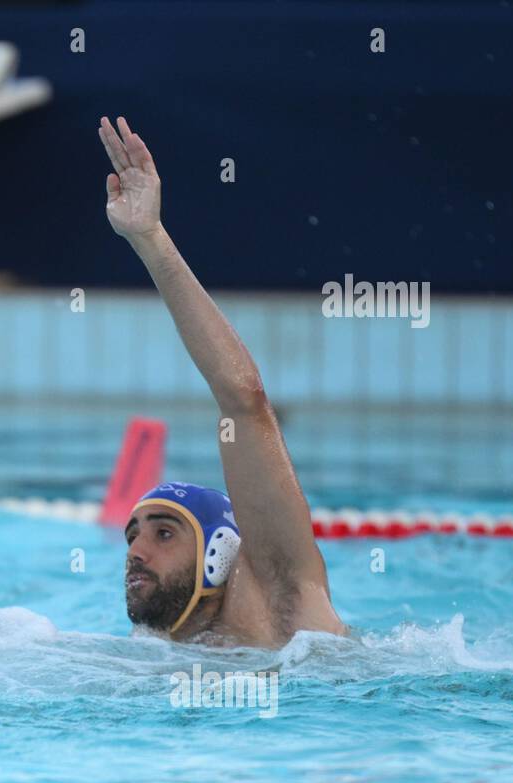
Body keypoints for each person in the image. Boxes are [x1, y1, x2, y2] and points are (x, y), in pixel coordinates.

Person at [99, 115, 347, 647]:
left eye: (164, 533)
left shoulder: (286, 613)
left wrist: (150, 240)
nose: (136, 552)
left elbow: (245, 402)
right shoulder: (158, 659)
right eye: (134, 535)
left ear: (219, 555)